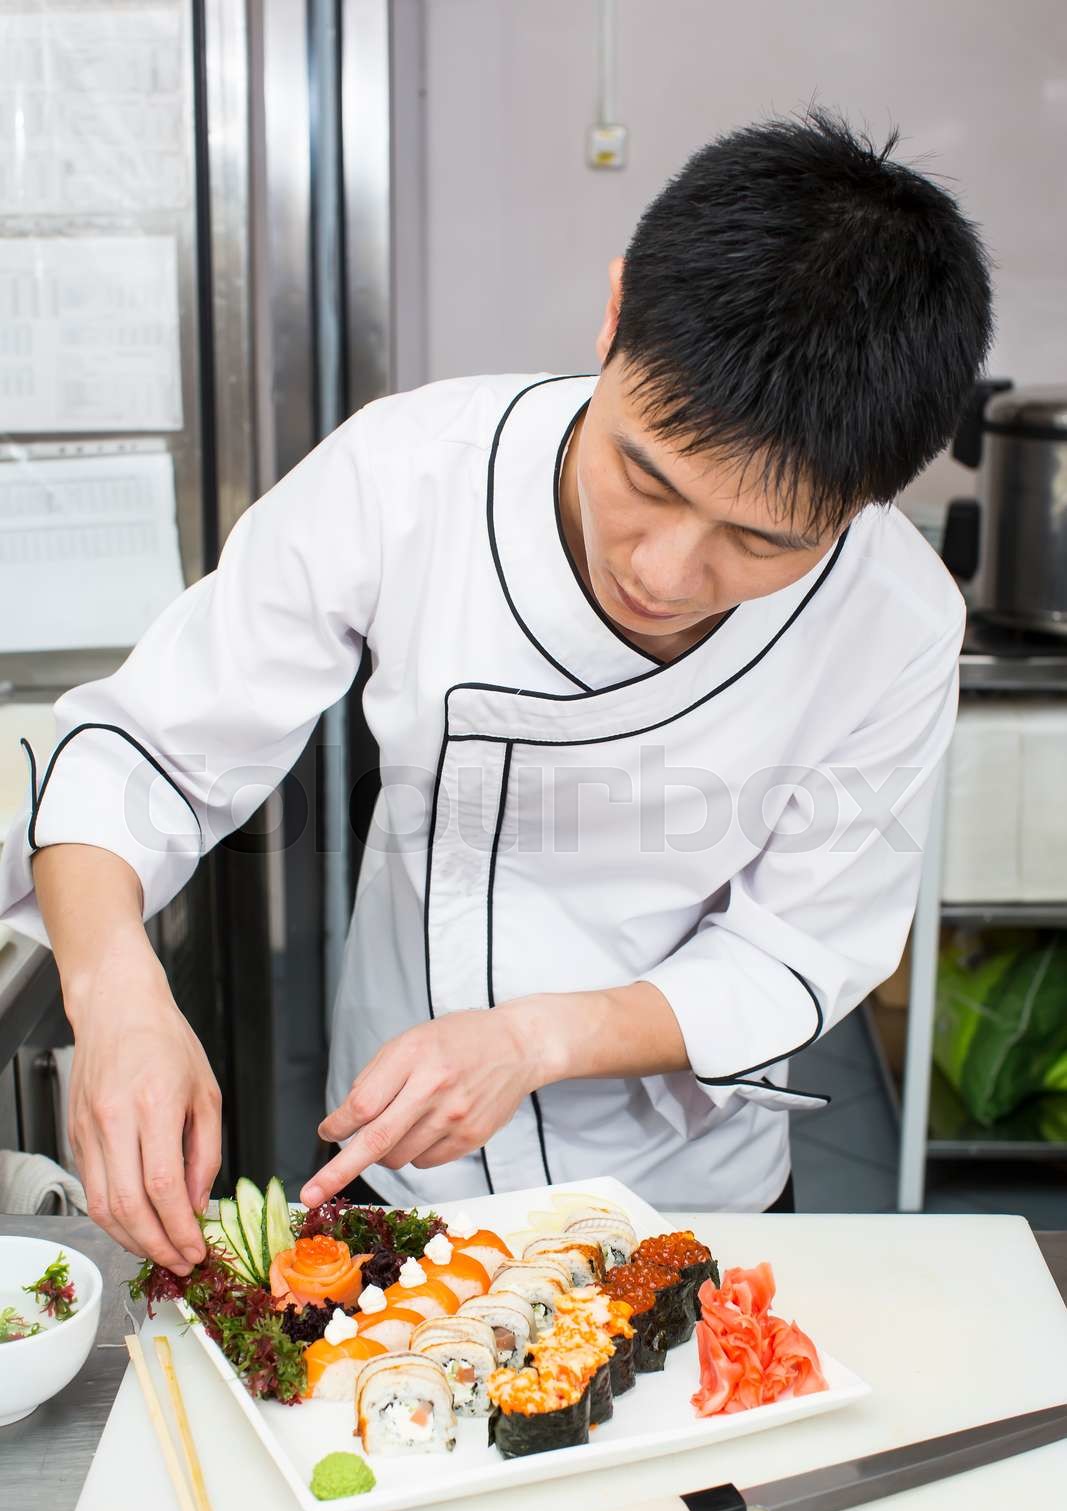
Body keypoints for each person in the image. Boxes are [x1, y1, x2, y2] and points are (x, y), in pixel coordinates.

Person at [0, 111, 991, 1274]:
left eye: (760, 541)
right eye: (644, 475)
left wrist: (533, 1038)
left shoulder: (894, 615)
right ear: (616, 311)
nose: (663, 573)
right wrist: (115, 996)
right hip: (398, 1157)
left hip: (681, 1197)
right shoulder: (408, 472)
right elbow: (143, 753)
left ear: (873, 496)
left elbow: (805, 947)